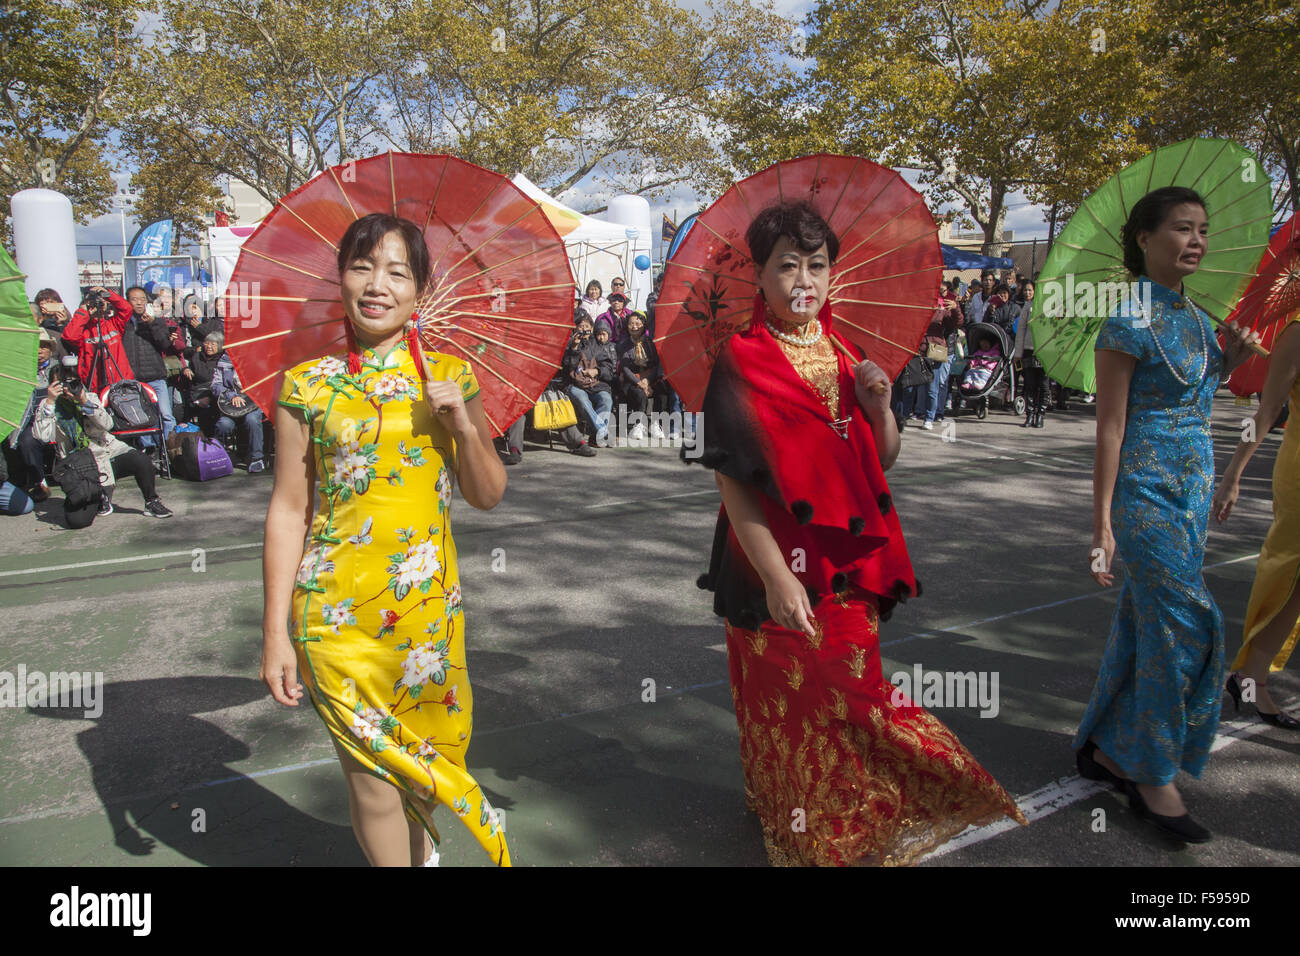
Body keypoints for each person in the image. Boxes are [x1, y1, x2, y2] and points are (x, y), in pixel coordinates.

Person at [692, 200, 1025, 866]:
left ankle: (851, 824)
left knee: (852, 690)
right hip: (768, 563)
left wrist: (879, 408)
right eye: (787, 266)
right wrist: (778, 576)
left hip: (850, 561)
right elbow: (733, 482)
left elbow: (884, 457)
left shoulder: (848, 354)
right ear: (759, 275)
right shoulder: (740, 359)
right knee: (779, 694)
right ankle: (795, 820)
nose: (804, 280)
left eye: (816, 265)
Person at [260, 211, 510, 867]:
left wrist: (464, 425)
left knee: (424, 770)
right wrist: (274, 632)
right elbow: (288, 509)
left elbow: (487, 494)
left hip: (426, 618)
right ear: (340, 277)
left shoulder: (451, 379)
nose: (377, 284)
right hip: (334, 618)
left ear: (420, 290)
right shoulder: (305, 387)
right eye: (362, 266)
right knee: (370, 779)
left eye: (397, 271)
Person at [1075, 186, 1259, 844]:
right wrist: (1101, 527)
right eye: (1182, 228)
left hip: (1190, 494)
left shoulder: (1201, 319)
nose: (1197, 240)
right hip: (1145, 495)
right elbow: (1109, 431)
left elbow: (1199, 402)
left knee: (1146, 623)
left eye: (1203, 230)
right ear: (1145, 239)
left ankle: (1104, 747)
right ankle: (1152, 773)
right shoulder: (1125, 321)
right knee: (1188, 626)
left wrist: (1230, 361)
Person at [1211, 309, 1300, 729]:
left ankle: (1251, 674)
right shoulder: (1297, 332)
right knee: (1288, 577)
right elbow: (1266, 412)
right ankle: (1251, 673)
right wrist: (1232, 474)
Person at [32, 358, 174, 524]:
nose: (66, 388)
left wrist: (84, 402)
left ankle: (151, 501)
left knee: (141, 459)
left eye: (70, 382)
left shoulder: (88, 397)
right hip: (79, 465)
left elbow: (107, 424)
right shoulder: (48, 406)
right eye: (60, 384)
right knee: (77, 521)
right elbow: (42, 437)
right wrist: (50, 401)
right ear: (51, 386)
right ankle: (100, 495)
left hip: (106, 452)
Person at [121, 286, 178, 446]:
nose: (139, 303)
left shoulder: (156, 320)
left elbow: (165, 344)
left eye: (142, 299)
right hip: (134, 379)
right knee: (141, 418)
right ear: (127, 302)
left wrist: (153, 323)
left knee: (166, 415)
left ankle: (170, 448)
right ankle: (150, 450)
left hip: (156, 377)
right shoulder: (124, 324)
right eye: (134, 299)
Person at [208, 332, 267, 473]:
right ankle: (221, 457)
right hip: (231, 405)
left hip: (252, 403)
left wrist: (248, 395)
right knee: (224, 425)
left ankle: (256, 458)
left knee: (252, 420)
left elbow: (264, 384)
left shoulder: (258, 360)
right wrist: (232, 395)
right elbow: (215, 385)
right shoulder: (224, 360)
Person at [62, 285, 134, 394]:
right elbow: (70, 336)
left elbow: (126, 309)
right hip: (95, 387)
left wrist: (109, 295)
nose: (98, 305)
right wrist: (83, 312)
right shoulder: (84, 331)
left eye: (101, 302)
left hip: (122, 383)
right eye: (93, 303)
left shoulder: (113, 324)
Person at [563, 313, 615, 443]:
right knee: (582, 399)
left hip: (596, 384)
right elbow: (567, 366)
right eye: (580, 326)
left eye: (587, 326)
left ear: (591, 329)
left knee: (606, 399)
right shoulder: (568, 343)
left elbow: (609, 368)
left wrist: (596, 371)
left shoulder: (597, 345)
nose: (583, 329)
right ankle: (603, 432)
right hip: (574, 385)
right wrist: (574, 347)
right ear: (575, 328)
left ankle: (596, 437)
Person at [617, 311, 669, 439]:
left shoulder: (650, 343)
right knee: (639, 394)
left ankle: (656, 424)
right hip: (632, 381)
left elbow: (657, 365)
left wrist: (647, 381)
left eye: (637, 323)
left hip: (649, 379)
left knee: (662, 392)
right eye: (631, 324)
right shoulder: (623, 345)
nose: (634, 327)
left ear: (643, 325)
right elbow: (625, 368)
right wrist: (639, 382)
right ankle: (638, 424)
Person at [1011, 280, 1047, 427]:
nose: (1027, 293)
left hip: (1044, 351)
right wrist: (1018, 353)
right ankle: (1030, 414)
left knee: (1043, 385)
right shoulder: (1027, 307)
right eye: (1025, 290)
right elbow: (1020, 331)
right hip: (1028, 350)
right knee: (1029, 384)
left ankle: (1041, 414)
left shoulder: (1048, 305)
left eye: (1030, 290)